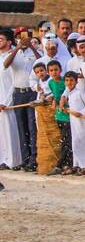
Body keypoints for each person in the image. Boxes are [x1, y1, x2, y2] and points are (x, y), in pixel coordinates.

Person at [3, 27, 39, 169]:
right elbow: (6, 65)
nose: (23, 39)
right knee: (21, 126)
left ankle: (34, 159)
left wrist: (32, 47)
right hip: (18, 93)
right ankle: (25, 159)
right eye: (20, 36)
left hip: (31, 92)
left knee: (31, 126)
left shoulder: (35, 51)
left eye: (26, 36)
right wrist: (17, 48)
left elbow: (41, 62)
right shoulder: (13, 52)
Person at [62, 70, 85, 174]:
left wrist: (82, 113)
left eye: (71, 80)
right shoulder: (69, 94)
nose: (69, 83)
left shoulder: (80, 92)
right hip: (74, 123)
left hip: (82, 123)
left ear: (76, 81)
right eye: (67, 80)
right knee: (76, 143)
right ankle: (80, 165)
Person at [0, 29, 24, 170]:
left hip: (7, 101)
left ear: (9, 42)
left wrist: (6, 101)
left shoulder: (14, 55)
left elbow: (14, 81)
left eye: (1, 39)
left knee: (10, 131)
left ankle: (13, 161)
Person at [45, 61, 70, 174]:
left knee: (67, 141)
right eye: (51, 70)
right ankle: (64, 164)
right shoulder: (50, 83)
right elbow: (52, 95)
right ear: (48, 72)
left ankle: (62, 165)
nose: (54, 72)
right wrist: (53, 100)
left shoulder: (66, 81)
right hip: (58, 115)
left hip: (68, 114)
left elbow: (68, 93)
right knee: (62, 140)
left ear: (60, 69)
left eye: (56, 69)